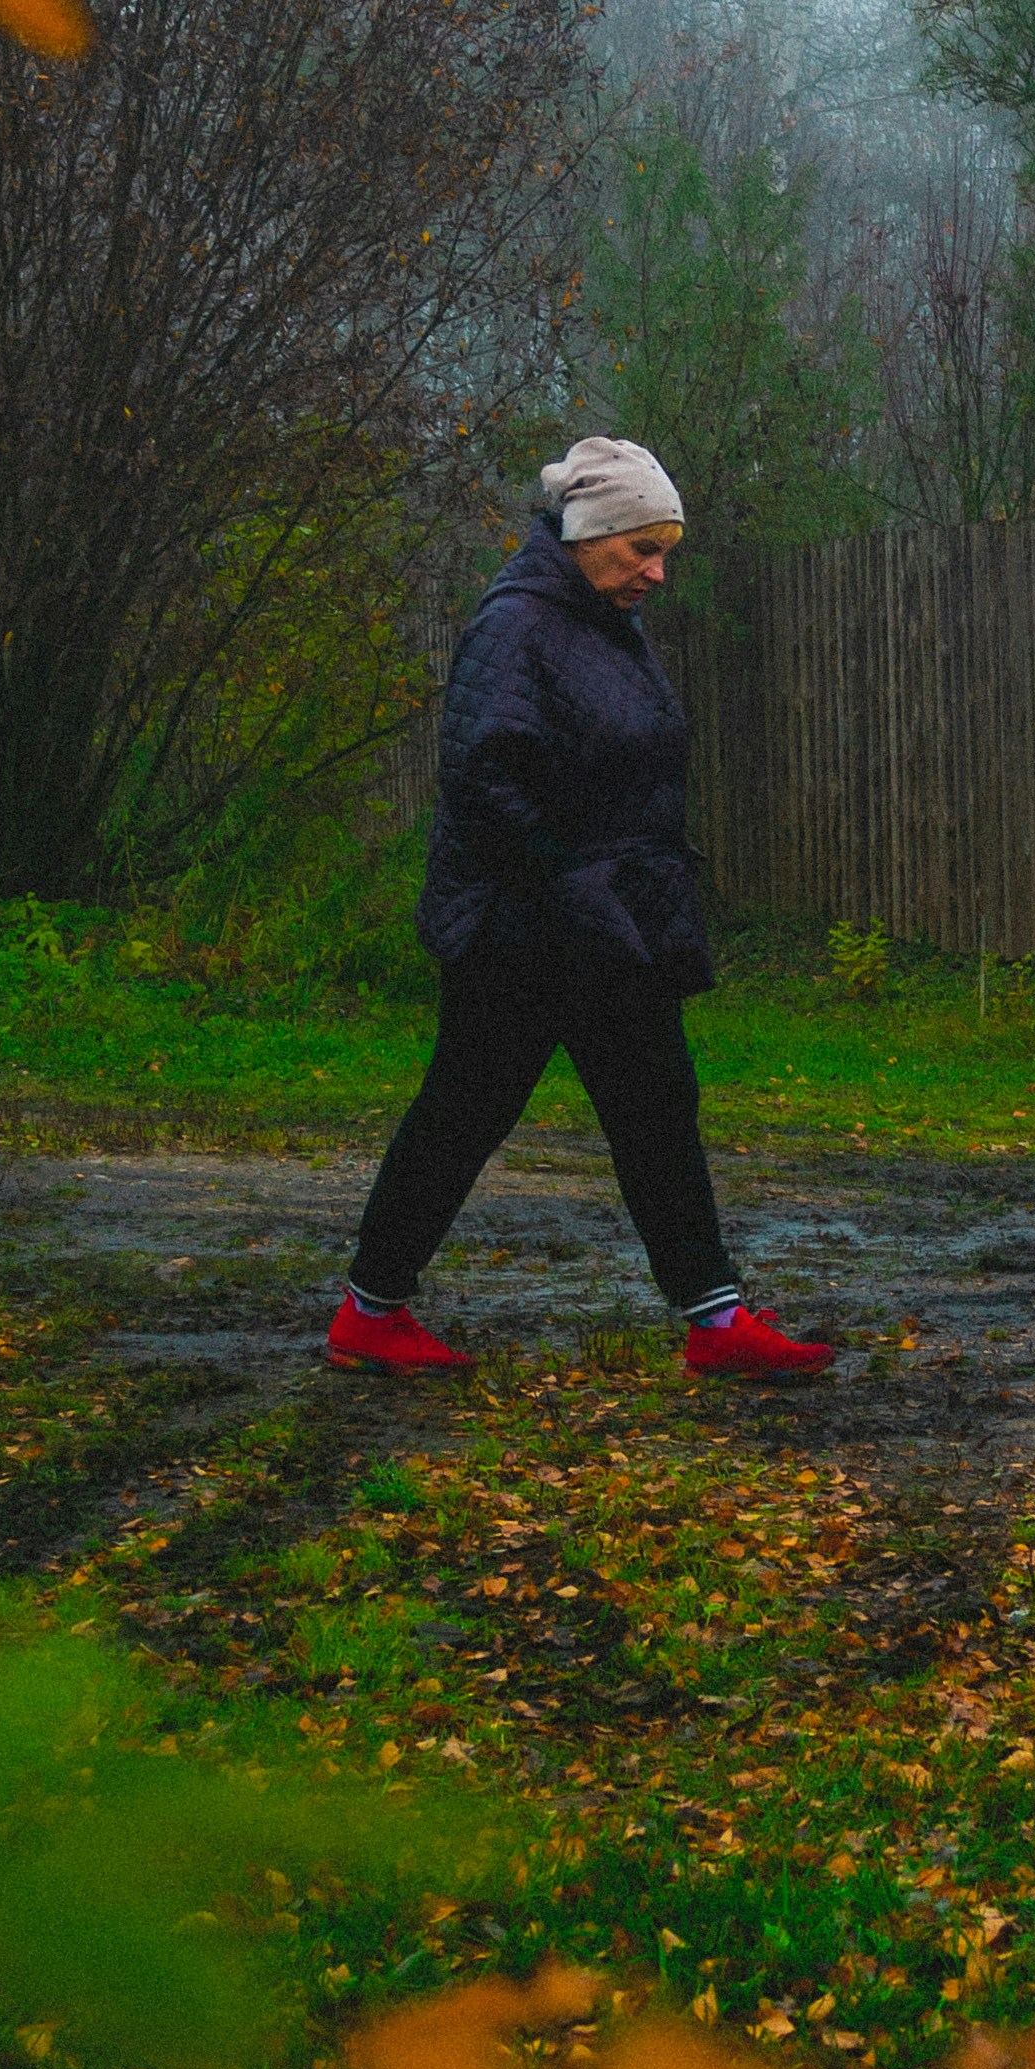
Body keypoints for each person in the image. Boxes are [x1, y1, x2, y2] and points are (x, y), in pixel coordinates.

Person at [326, 437, 834, 1384]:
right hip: (522, 931)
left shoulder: (598, 622)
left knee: (655, 1110)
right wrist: (572, 880)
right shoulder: (518, 627)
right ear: (587, 537)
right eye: (641, 547)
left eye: (665, 549)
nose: (657, 571)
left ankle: (715, 1320)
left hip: (603, 923)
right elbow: (483, 782)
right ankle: (370, 1313)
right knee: (462, 1116)